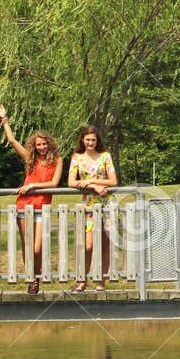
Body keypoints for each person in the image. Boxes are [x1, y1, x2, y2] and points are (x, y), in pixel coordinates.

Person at [0, 104, 60, 294]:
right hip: (24, 206)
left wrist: (32, 186)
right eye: (39, 145)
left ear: (49, 144)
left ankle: (36, 275)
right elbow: (12, 140)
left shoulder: (57, 160)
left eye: (44, 144)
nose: (42, 147)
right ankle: (33, 279)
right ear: (35, 146)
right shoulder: (30, 158)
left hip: (41, 206)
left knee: (37, 248)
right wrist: (5, 119)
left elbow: (54, 184)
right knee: (28, 246)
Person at [67, 124, 118, 292]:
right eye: (88, 139)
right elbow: (71, 182)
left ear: (97, 141)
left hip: (105, 205)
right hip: (88, 206)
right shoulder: (77, 157)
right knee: (88, 246)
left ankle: (101, 281)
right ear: (83, 140)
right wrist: (94, 187)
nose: (90, 143)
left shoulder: (105, 157)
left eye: (93, 140)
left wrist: (90, 182)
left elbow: (113, 181)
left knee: (105, 245)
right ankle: (82, 281)